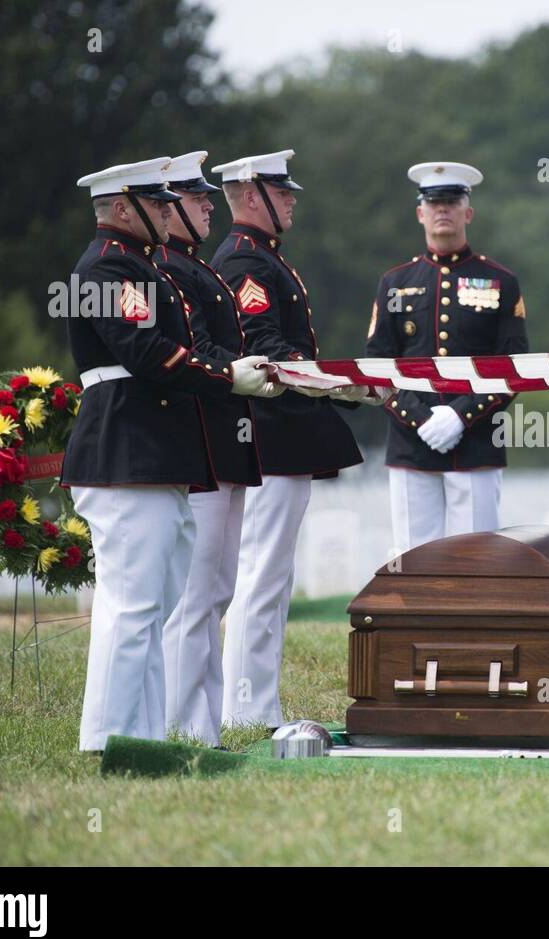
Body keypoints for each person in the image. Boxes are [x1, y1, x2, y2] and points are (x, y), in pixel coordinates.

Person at [65, 157, 278, 753]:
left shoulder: (133, 267)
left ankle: (147, 736)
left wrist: (222, 374)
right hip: (127, 452)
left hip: (152, 454)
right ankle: (108, 740)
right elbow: (149, 353)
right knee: (132, 607)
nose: (169, 212)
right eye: (157, 205)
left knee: (150, 608)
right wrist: (227, 376)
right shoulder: (109, 269)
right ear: (125, 208)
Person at [209, 149, 372, 730]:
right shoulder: (245, 262)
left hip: (283, 436)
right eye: (283, 191)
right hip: (269, 437)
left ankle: (255, 704)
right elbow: (266, 350)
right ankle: (247, 709)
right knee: (261, 574)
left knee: (271, 575)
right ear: (252, 196)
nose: (293, 198)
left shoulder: (264, 258)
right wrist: (336, 381)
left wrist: (339, 383)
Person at [365, 162, 528, 552]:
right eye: (433, 203)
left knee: (476, 560)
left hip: (477, 440)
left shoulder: (500, 281)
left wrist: (460, 414)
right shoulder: (396, 281)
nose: (443, 210)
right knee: (414, 558)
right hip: (410, 440)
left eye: (452, 202)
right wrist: (420, 418)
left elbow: (514, 367)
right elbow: (377, 366)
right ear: (420, 213)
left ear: (468, 212)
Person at [156, 151, 262, 747]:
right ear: (165, 211)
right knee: (194, 597)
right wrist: (249, 369)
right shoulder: (167, 270)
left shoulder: (193, 267)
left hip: (223, 443)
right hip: (197, 442)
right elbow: (193, 353)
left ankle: (205, 723)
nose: (205, 207)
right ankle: (179, 725)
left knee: (217, 591)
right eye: (194, 200)